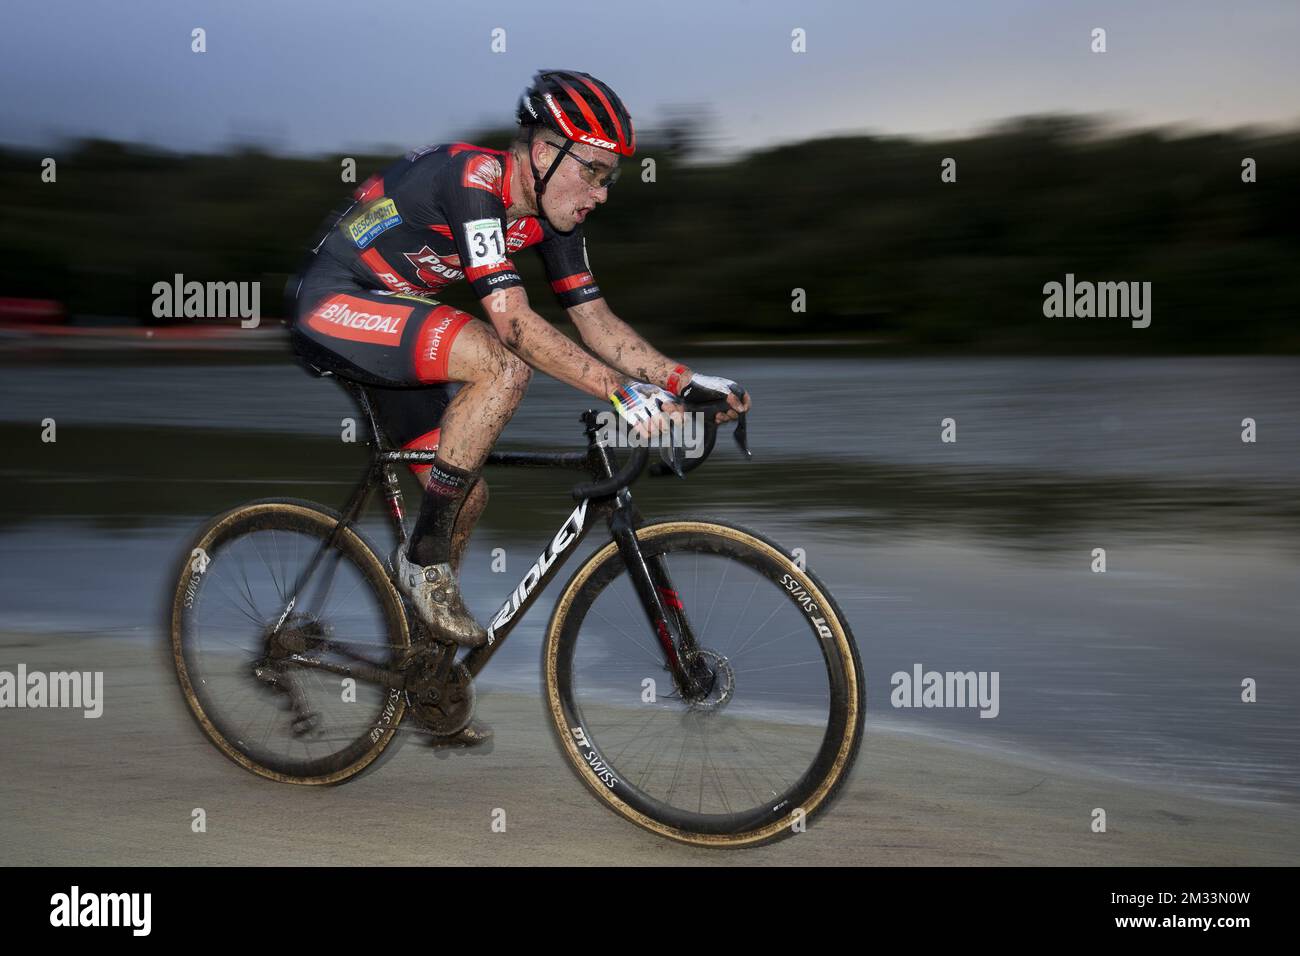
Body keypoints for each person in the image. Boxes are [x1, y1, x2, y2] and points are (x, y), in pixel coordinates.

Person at [286, 69, 750, 742]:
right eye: (590, 171)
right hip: (334, 303)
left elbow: (595, 321)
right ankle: (422, 564)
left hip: (398, 329)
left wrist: (680, 381)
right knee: (500, 365)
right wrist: (622, 395)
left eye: (609, 178)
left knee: (464, 499)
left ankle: (425, 673)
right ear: (540, 152)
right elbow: (512, 324)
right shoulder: (473, 181)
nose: (598, 193)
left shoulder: (550, 220)